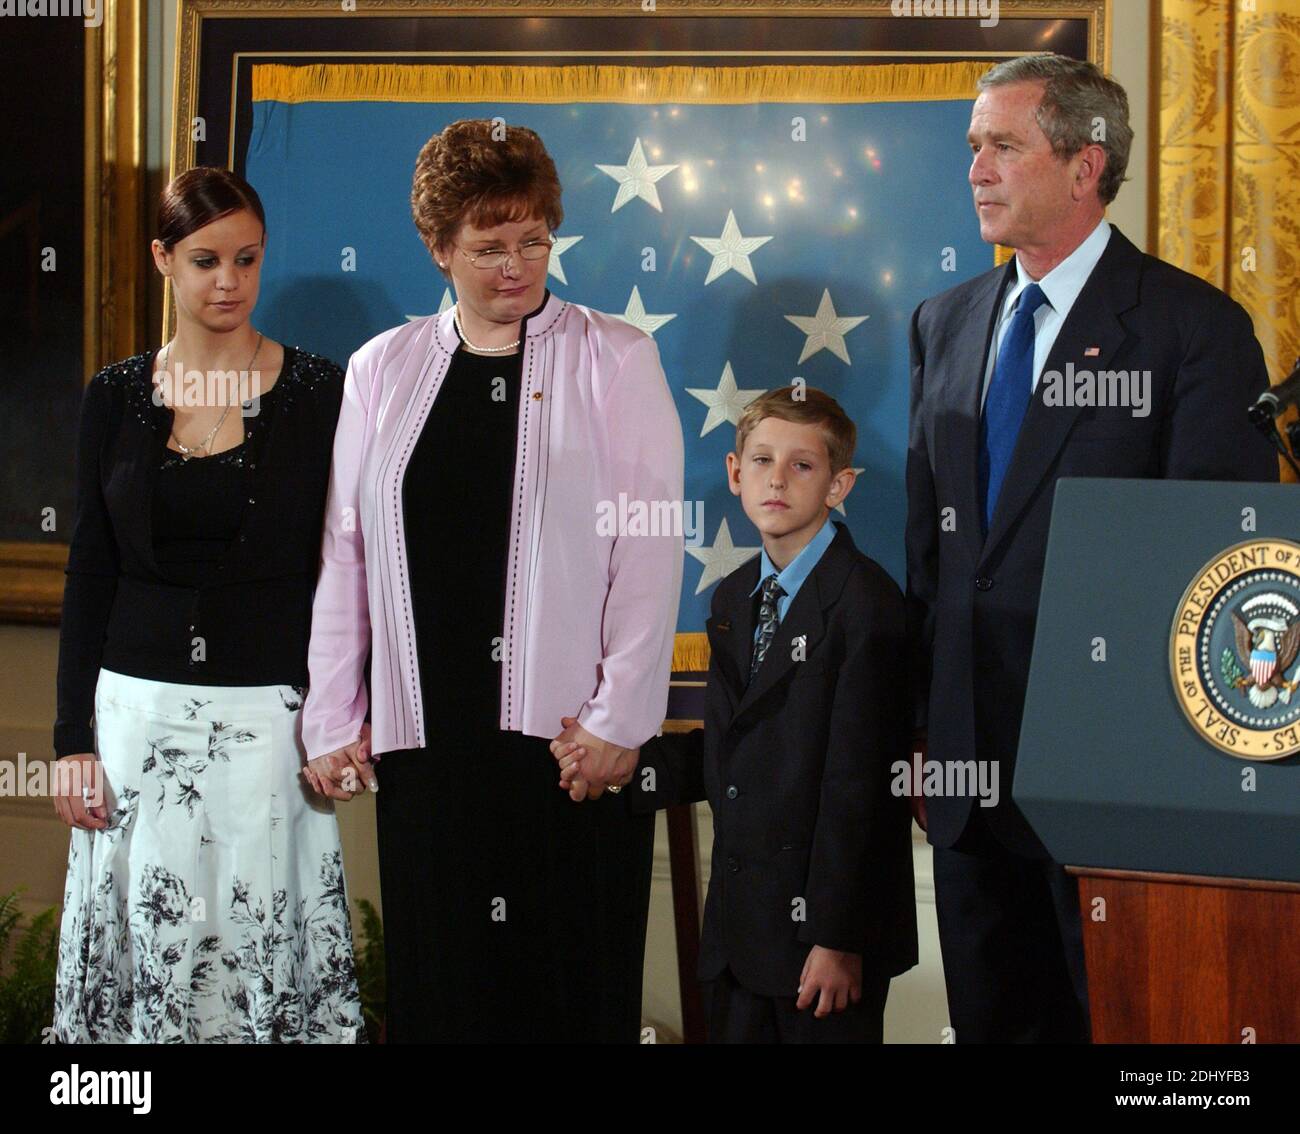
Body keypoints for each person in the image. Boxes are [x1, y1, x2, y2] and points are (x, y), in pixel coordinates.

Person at [905, 53, 1280, 1044]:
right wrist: (921, 725)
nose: (975, 168)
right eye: (972, 147)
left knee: (1126, 1033)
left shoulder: (1192, 329)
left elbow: (1215, 568)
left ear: (1083, 165)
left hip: (1116, 773)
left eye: (1001, 146)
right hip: (966, 773)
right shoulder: (942, 324)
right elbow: (931, 552)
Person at [301, 119, 684, 1043]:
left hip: (565, 750)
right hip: (428, 749)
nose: (517, 266)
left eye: (533, 241)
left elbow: (651, 545)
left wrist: (619, 719)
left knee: (563, 995)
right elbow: (345, 551)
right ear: (439, 249)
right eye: (488, 247)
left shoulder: (616, 357)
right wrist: (329, 716)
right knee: (447, 999)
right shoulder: (380, 370)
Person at [51, 167, 365, 1042]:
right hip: (131, 724)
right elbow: (90, 570)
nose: (228, 281)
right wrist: (70, 741)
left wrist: (340, 715)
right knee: (143, 969)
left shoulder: (320, 395)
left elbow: (347, 570)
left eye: (247, 259)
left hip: (270, 726)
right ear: (163, 260)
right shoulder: (113, 396)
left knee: (256, 965)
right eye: (204, 261)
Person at [561, 387, 917, 1043]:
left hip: (824, 944)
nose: (776, 479)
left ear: (840, 484)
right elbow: (731, 751)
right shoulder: (734, 598)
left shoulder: (866, 605)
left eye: (802, 465)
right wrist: (625, 765)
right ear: (734, 473)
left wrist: (839, 939)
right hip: (738, 932)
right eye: (760, 460)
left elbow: (862, 788)